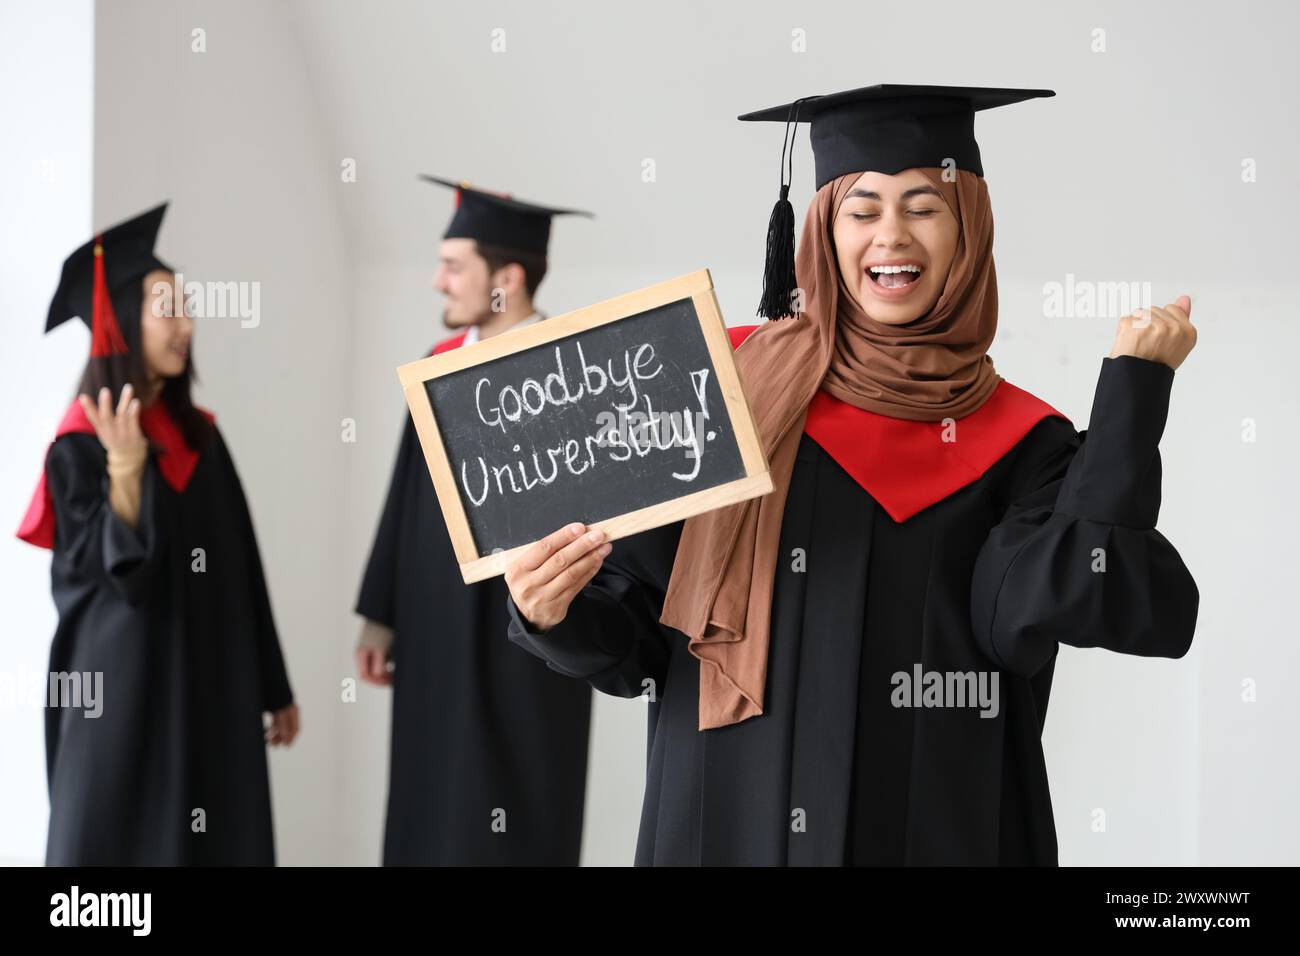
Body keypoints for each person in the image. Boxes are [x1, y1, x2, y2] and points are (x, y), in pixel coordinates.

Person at [502, 85, 1200, 865]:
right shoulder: (715, 389)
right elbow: (635, 641)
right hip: (726, 824)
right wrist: (551, 613)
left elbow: (1047, 607)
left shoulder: (1025, 445)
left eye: (924, 208)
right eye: (861, 211)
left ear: (969, 228)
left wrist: (1133, 396)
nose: (890, 235)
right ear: (822, 233)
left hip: (930, 828)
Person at [17, 203, 298, 865]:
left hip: (211, 686)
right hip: (124, 698)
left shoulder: (200, 436)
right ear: (118, 320)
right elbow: (112, 585)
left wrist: (273, 684)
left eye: (186, 306)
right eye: (166, 308)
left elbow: (242, 568)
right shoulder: (78, 449)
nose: (186, 325)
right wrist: (125, 467)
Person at [355, 177, 595, 865]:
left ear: (507, 278)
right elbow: (404, 497)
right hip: (433, 629)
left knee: (514, 800)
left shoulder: (568, 370)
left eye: (454, 265)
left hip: (525, 636)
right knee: (430, 797)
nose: (438, 282)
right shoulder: (437, 370)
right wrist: (382, 616)